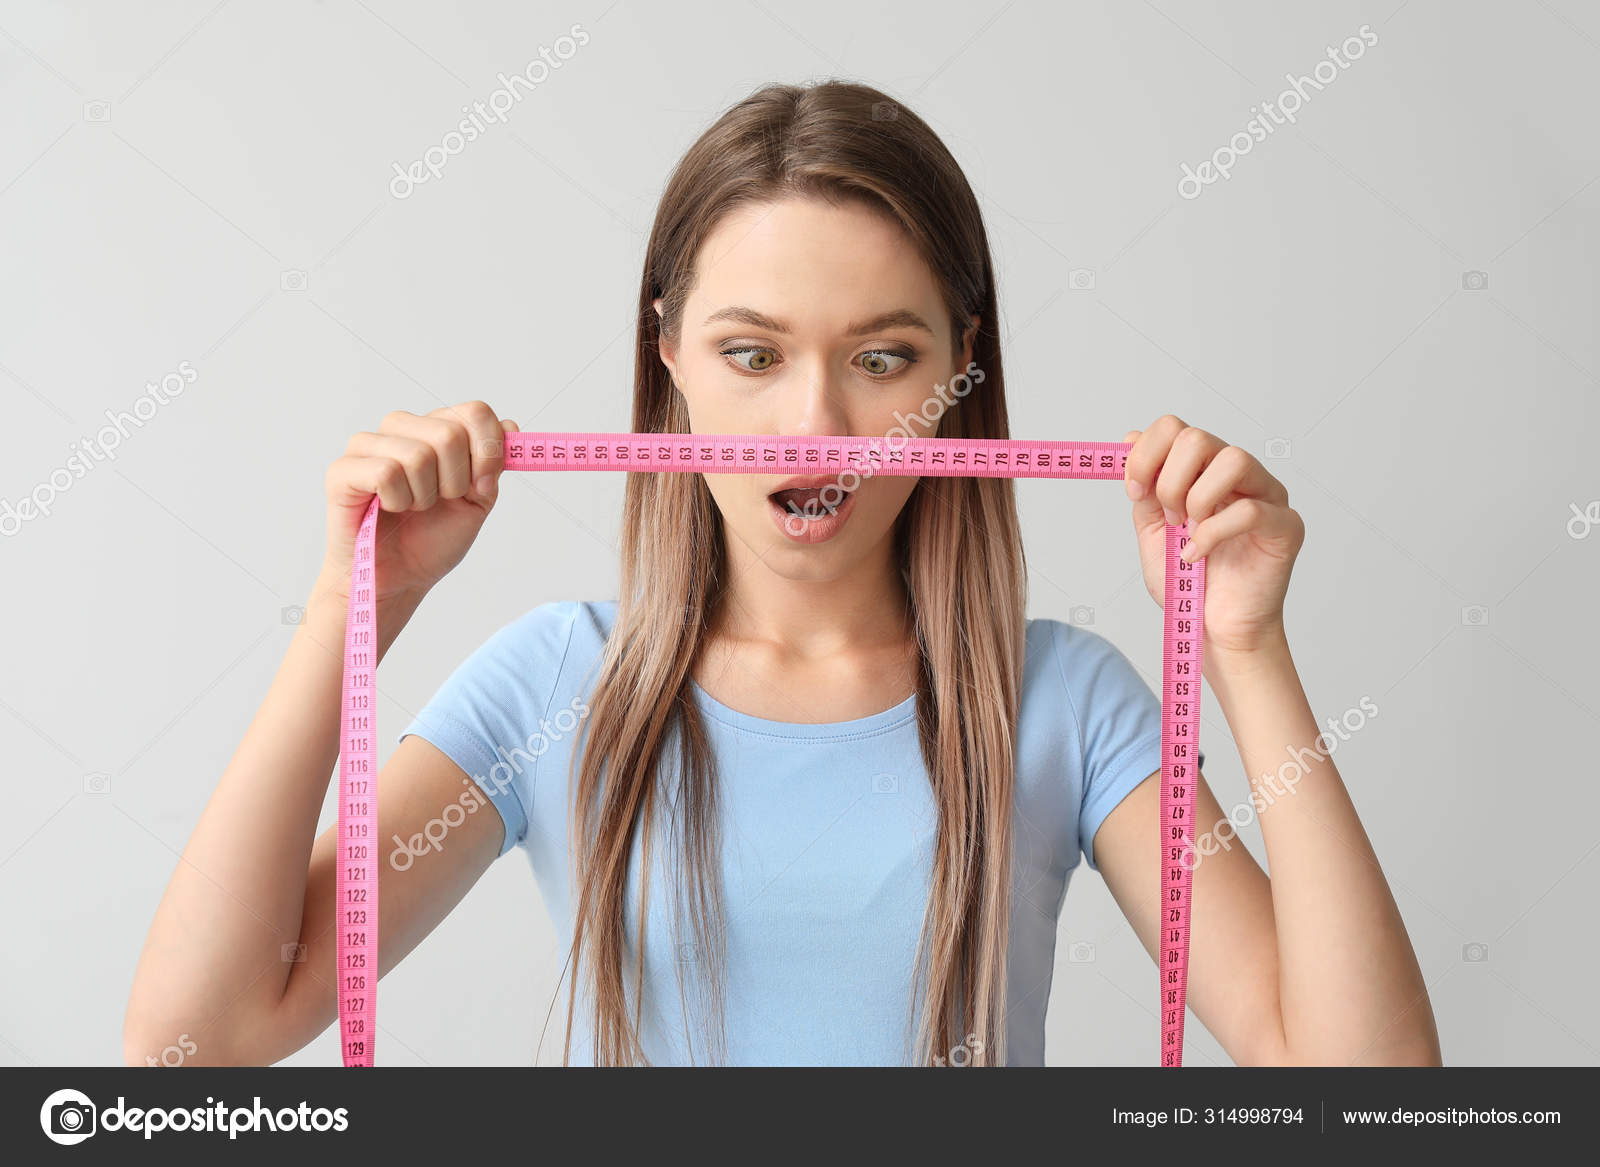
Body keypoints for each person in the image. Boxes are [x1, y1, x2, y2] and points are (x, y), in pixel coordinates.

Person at [125, 80, 1440, 1067]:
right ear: (671, 362)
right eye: (753, 352)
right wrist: (358, 607)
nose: (817, 424)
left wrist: (1249, 650)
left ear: (961, 372)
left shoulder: (1068, 705)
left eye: (882, 358)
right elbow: (196, 1039)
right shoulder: (553, 684)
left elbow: (1367, 1094)